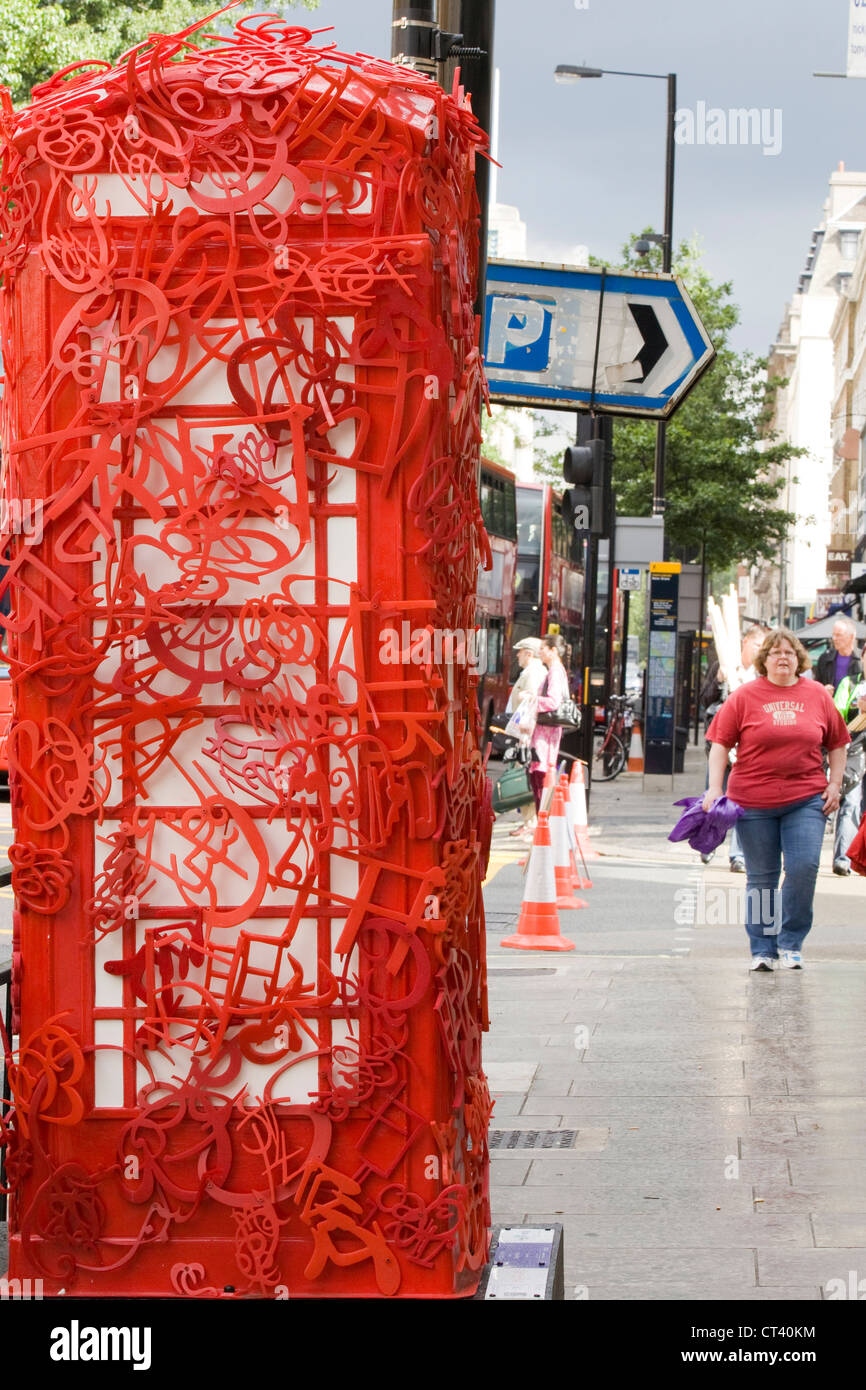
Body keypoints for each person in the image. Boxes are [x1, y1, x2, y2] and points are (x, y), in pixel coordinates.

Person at [703, 628, 850, 972]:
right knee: (762, 878)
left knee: (804, 867)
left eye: (789, 652)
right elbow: (720, 744)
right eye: (775, 652)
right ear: (764, 660)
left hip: (806, 798)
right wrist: (714, 788)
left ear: (799, 659)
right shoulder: (743, 697)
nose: (783, 657)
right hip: (753, 801)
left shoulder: (817, 695)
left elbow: (838, 743)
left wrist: (835, 784)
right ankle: (763, 948)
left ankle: (791, 941)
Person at [701, 624, 770, 871]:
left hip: (748, 748)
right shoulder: (723, 666)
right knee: (715, 795)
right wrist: (719, 681)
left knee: (743, 801)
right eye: (757, 645)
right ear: (745, 642)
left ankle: (738, 855)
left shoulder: (763, 674)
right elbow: (704, 699)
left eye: (764, 647)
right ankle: (708, 842)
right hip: (721, 744)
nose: (760, 650)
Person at [813, 617, 861, 874]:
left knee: (851, 799)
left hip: (855, 740)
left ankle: (843, 857)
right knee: (835, 794)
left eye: (839, 635)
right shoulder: (825, 659)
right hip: (831, 732)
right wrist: (823, 691)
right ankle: (830, 853)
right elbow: (815, 686)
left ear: (851, 637)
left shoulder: (858, 662)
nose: (834, 639)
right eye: (833, 635)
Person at [528, 633, 570, 813]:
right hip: (545, 731)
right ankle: (543, 819)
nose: (540, 652)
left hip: (545, 733)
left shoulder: (555, 671)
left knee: (541, 777)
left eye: (543, 648)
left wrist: (531, 700)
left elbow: (553, 701)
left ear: (553, 650)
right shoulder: (555, 670)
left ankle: (543, 820)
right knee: (540, 776)